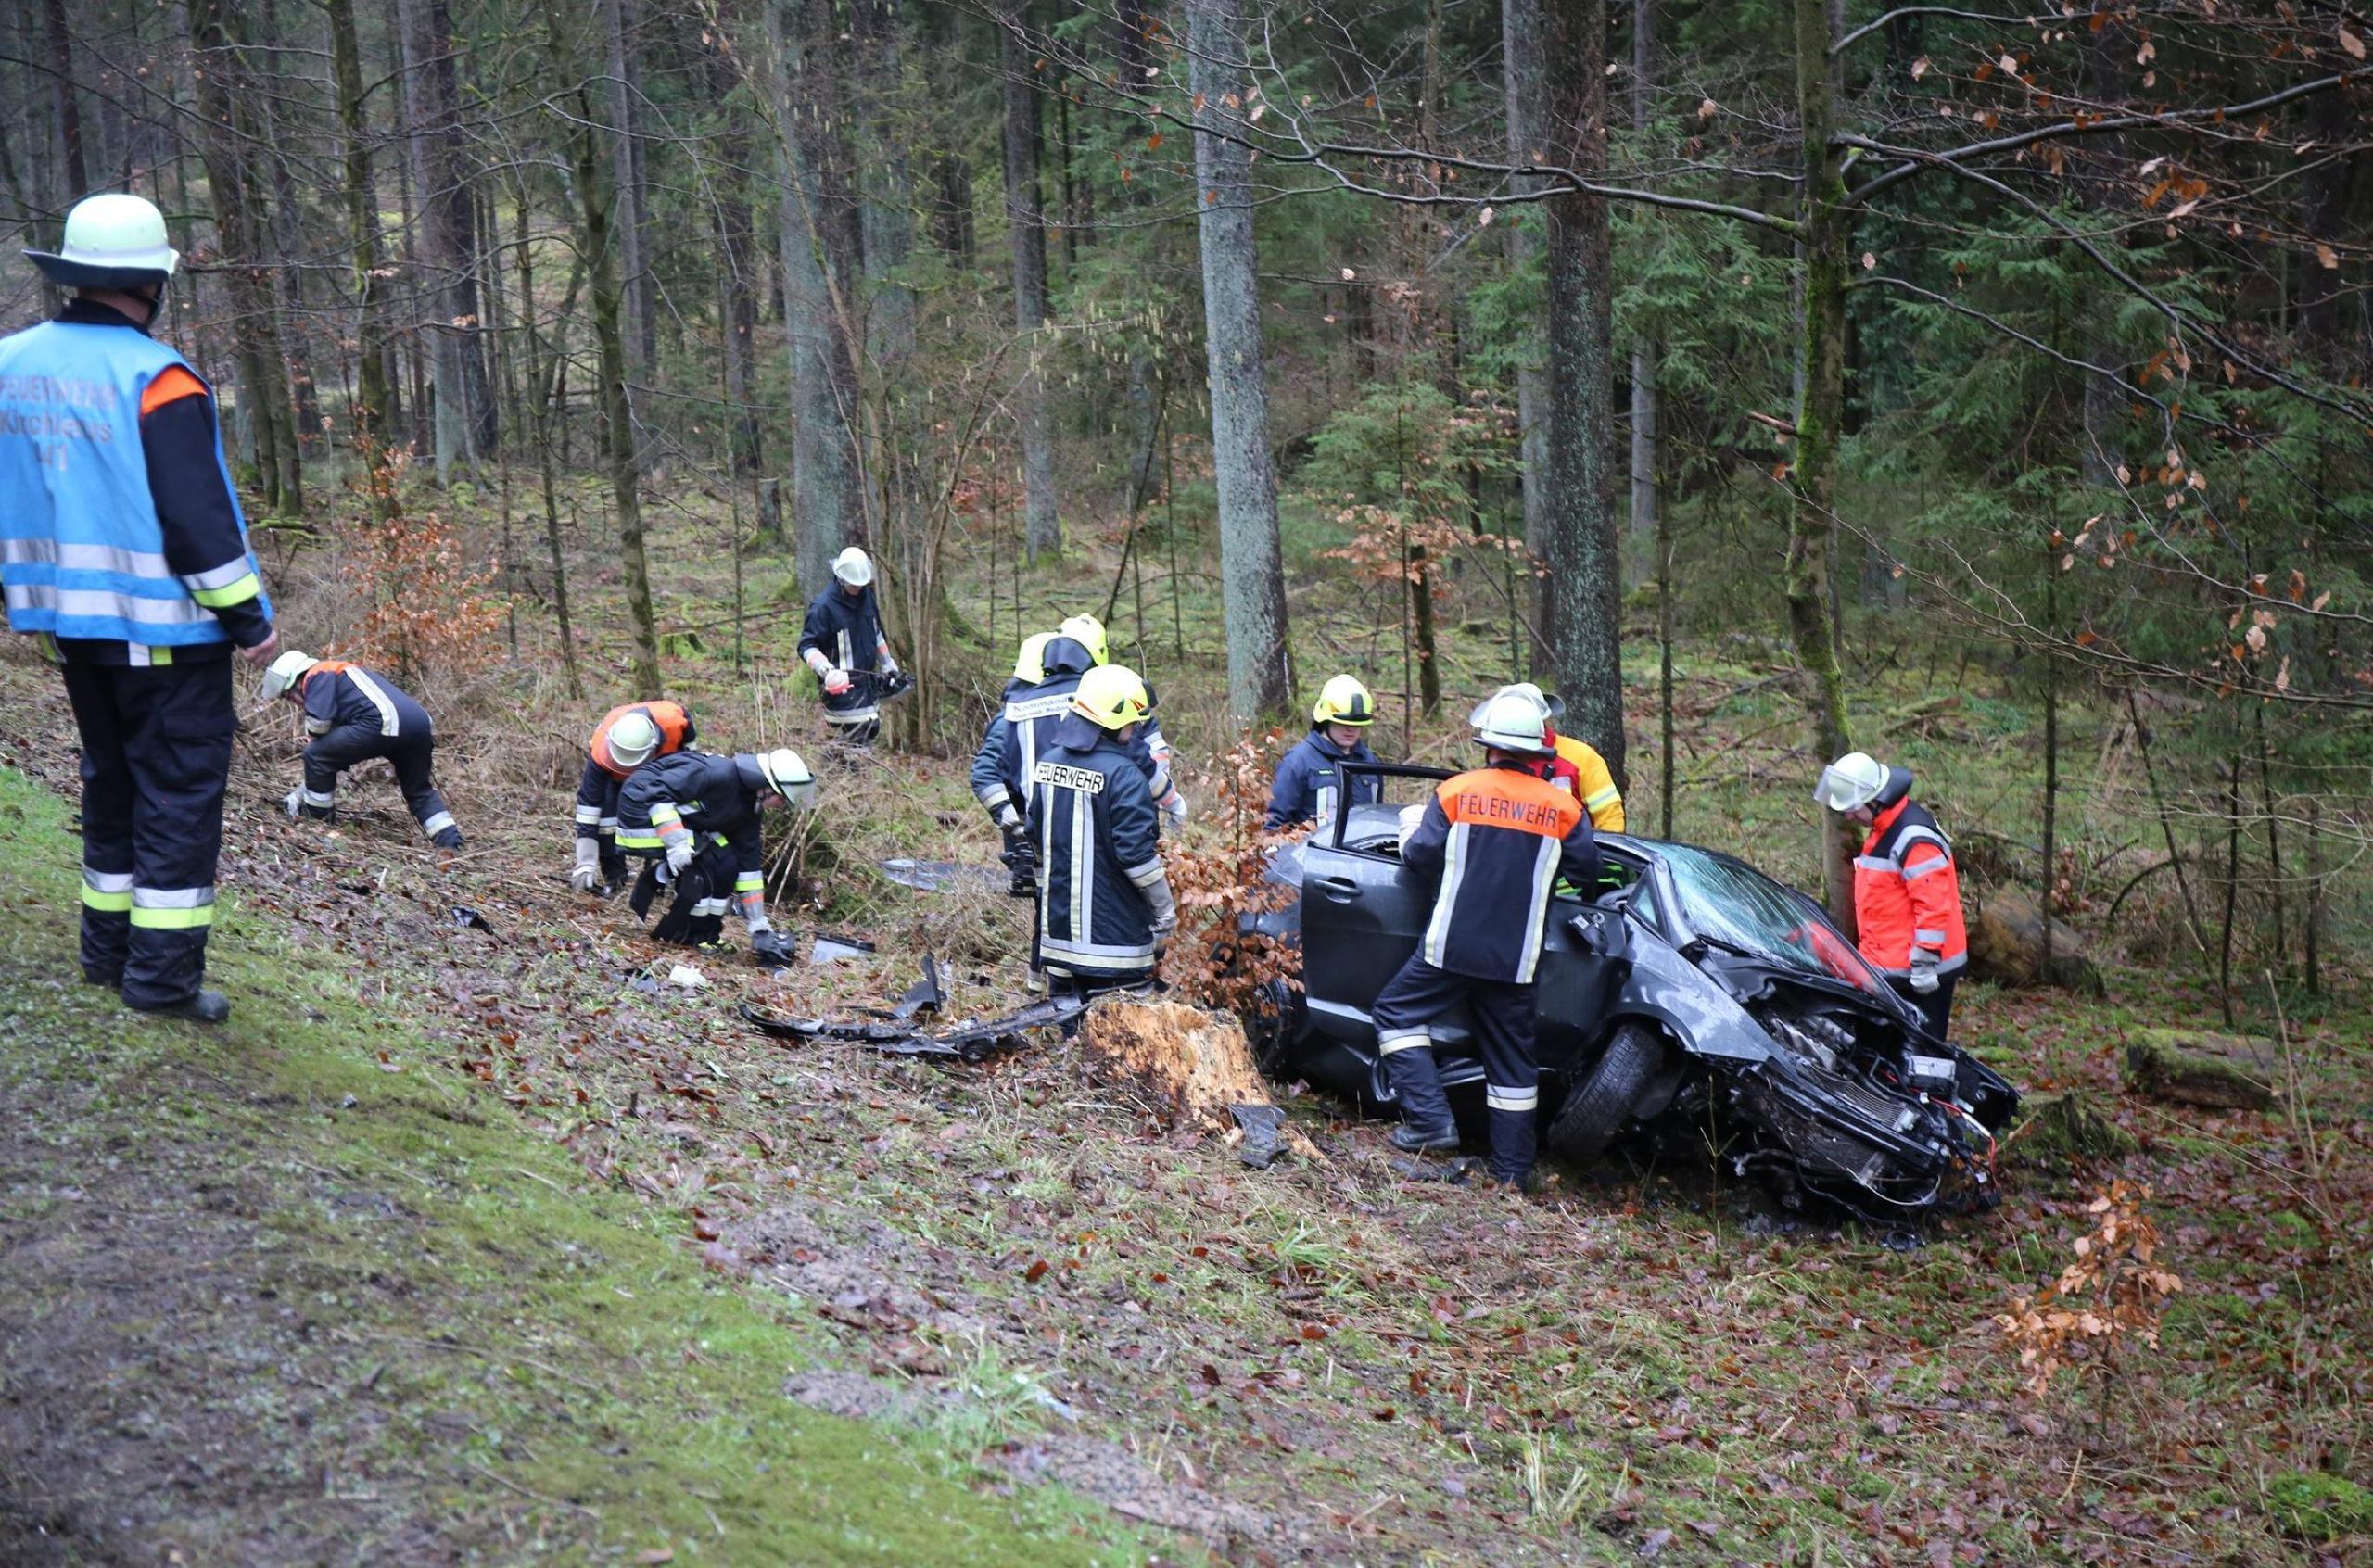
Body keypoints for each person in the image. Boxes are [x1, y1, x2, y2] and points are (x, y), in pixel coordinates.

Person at [0, 194, 278, 1023]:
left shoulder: (10, 363)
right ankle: (159, 983)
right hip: (168, 636)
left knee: (111, 784)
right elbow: (199, 524)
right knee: (178, 800)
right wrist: (251, 621)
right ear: (151, 281)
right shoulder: (157, 379)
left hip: (65, 629)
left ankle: (106, 955)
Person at [1369, 689, 1599, 1188]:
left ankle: (1430, 1121)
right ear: (1540, 753)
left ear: (1489, 746)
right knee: (1512, 1061)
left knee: (1395, 1013)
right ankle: (1513, 1172)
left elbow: (1421, 859)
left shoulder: (1456, 792)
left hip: (1450, 946)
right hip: (1517, 957)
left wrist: (1411, 832)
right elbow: (1589, 873)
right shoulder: (1563, 808)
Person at [1025, 664, 1177, 993]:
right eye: (1134, 718)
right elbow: (1137, 859)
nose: (1137, 726)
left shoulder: (1047, 764)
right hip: (1115, 952)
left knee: (1069, 1035)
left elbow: (1034, 838)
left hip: (1058, 943)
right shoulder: (1126, 776)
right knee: (1118, 1038)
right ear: (1113, 718)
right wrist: (1166, 913)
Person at [1813, 752, 1968, 1037]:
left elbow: (1934, 905)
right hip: (1892, 965)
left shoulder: (1912, 836)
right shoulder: (1885, 827)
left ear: (1875, 799)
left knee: (1920, 1054)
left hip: (1920, 972)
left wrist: (1924, 963)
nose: (1849, 815)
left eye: (1854, 808)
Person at [615, 748, 816, 961]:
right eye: (782, 799)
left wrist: (759, 926)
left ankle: (707, 933)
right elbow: (658, 794)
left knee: (728, 864)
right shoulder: (718, 774)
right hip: (638, 812)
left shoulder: (749, 809)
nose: (781, 806)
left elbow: (749, 868)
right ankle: (685, 933)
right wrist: (676, 845)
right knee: (712, 858)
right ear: (767, 788)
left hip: (675, 821)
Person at [260, 652, 462, 849]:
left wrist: (316, 740)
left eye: (289, 696)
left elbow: (319, 724)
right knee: (418, 790)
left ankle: (316, 821)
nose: (295, 703)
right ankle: (450, 843)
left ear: (297, 680)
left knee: (316, 755)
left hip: (382, 723)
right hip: (419, 724)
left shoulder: (318, 673)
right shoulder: (345, 675)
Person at [571, 698, 697, 893]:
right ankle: (615, 877)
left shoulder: (674, 724)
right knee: (606, 820)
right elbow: (588, 805)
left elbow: (691, 763)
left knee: (667, 813)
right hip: (617, 771)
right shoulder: (600, 750)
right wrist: (585, 862)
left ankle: (665, 875)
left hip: (664, 762)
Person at [971, 631, 1053, 896]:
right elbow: (985, 773)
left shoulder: (1041, 715)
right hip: (1026, 833)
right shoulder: (1011, 720)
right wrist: (1013, 823)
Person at [798, 546, 900, 744]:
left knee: (870, 729)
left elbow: (875, 633)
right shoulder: (823, 607)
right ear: (841, 578)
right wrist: (826, 671)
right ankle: (841, 765)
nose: (857, 588)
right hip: (840, 687)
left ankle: (847, 767)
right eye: (853, 584)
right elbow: (807, 646)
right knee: (859, 732)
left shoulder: (867, 598)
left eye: (861, 584)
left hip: (867, 682)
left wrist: (887, 662)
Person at [1492, 684, 1625, 833]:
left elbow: (1610, 817)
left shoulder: (1581, 757)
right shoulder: (1496, 755)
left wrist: (1598, 854)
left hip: (1570, 850)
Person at [1266, 674, 1383, 830]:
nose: (1351, 729)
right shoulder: (1297, 761)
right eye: (1342, 723)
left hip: (1363, 853)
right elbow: (1274, 824)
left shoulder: (1370, 762)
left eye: (1357, 724)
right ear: (1326, 720)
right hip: (1312, 853)